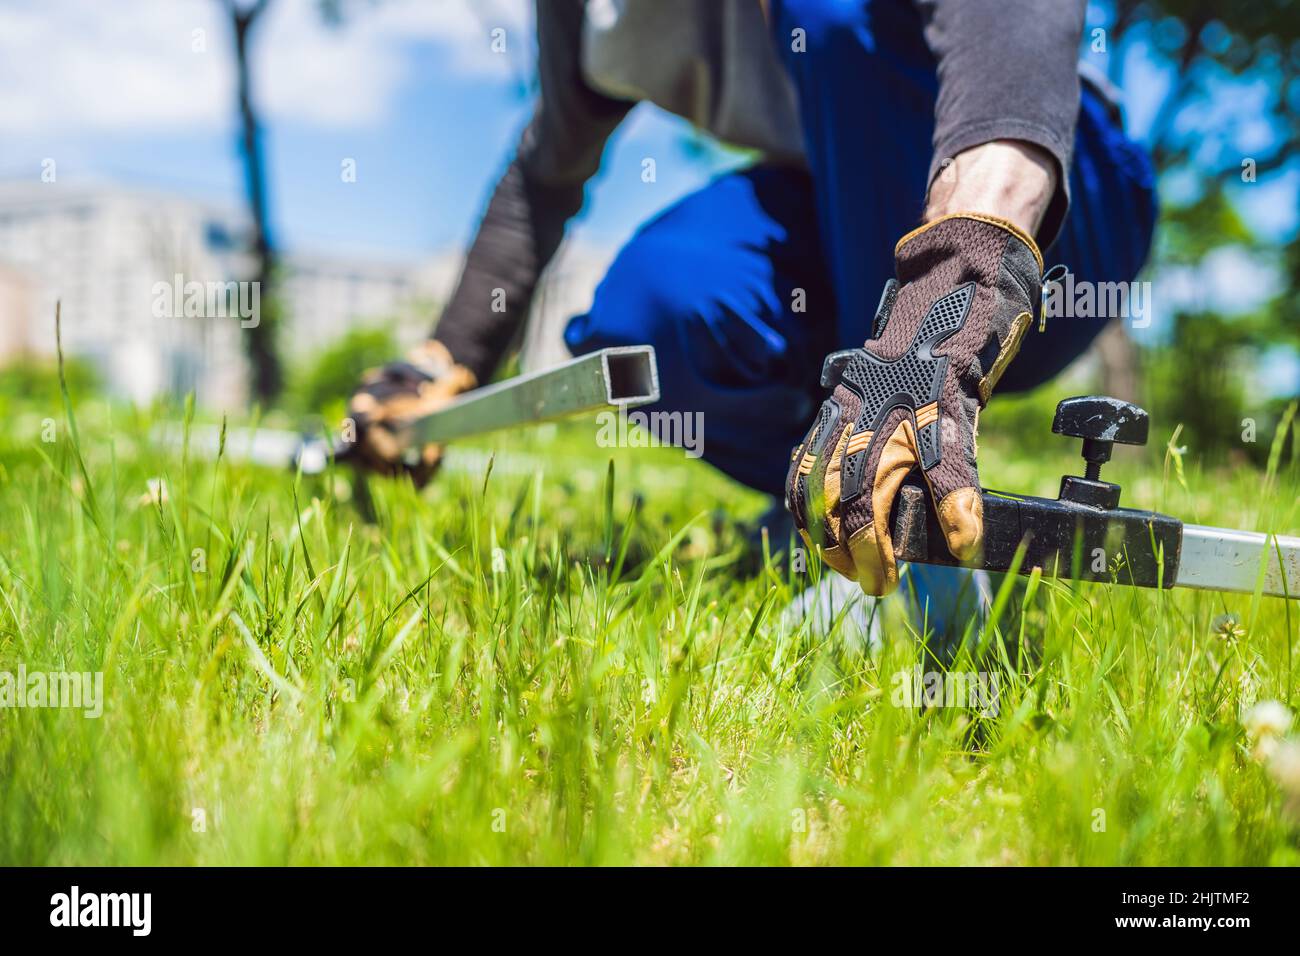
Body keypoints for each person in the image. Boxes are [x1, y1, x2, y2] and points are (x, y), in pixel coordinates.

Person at [347, 0, 1156, 636]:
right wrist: (442, 361)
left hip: (1047, 204)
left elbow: (1011, 16)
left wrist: (957, 283)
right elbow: (545, 173)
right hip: (841, 223)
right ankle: (838, 504)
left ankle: (909, 529)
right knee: (650, 314)